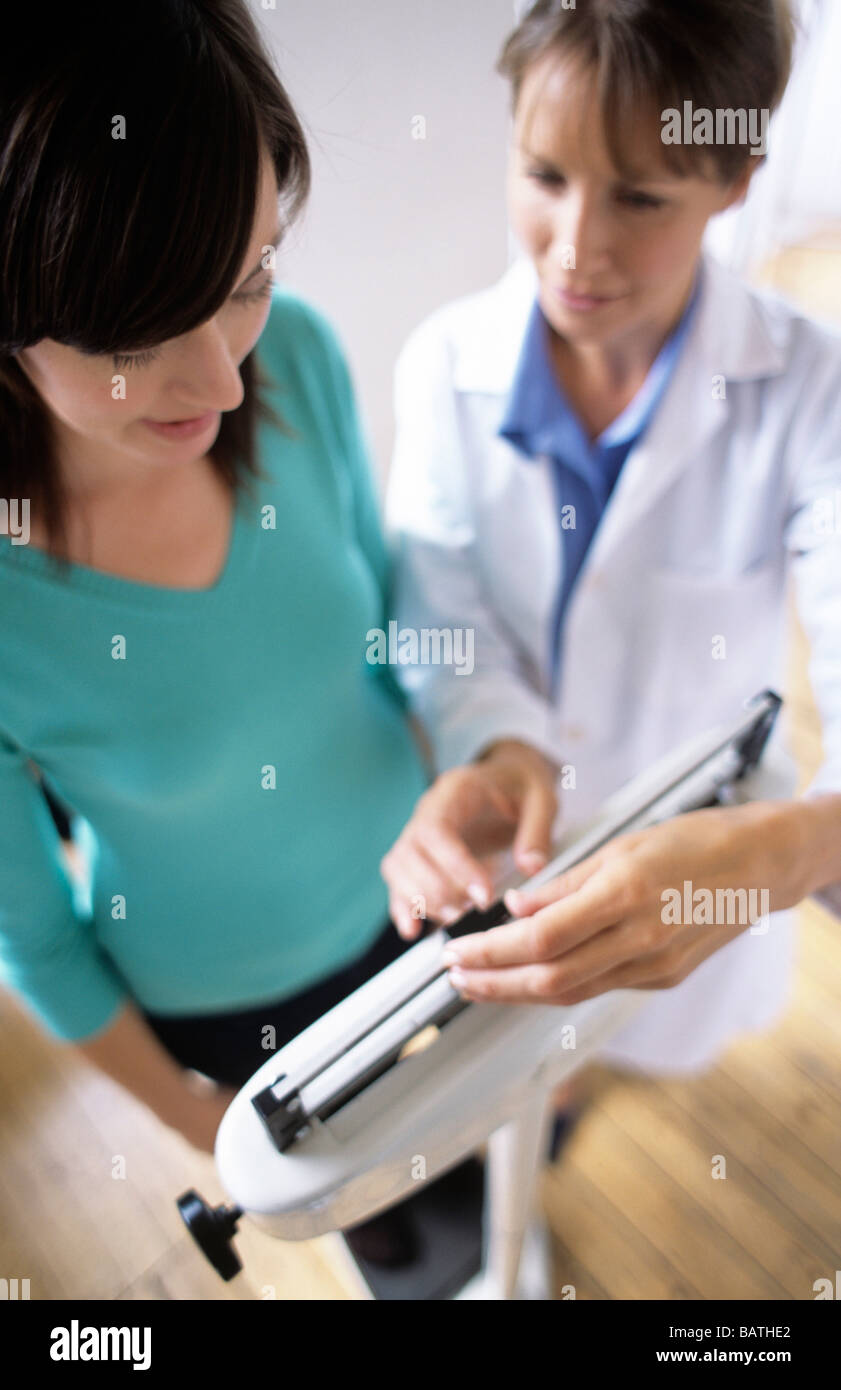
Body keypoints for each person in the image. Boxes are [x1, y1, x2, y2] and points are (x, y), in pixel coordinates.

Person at [0, 0, 492, 1274]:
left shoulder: (305, 360)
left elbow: (394, 630)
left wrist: (481, 775)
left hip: (427, 899)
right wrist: (200, 1121)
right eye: (134, 341)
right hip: (235, 1015)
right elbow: (38, 933)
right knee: (398, 1237)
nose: (222, 384)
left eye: (250, 282)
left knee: (489, 1144)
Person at [380, 0, 841, 1096]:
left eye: (639, 195)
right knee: (498, 1082)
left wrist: (789, 849)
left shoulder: (810, 388)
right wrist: (496, 742)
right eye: (544, 175)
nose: (578, 246)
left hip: (701, 868)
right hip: (512, 857)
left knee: (623, 1058)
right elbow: (437, 602)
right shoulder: (446, 363)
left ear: (734, 184)